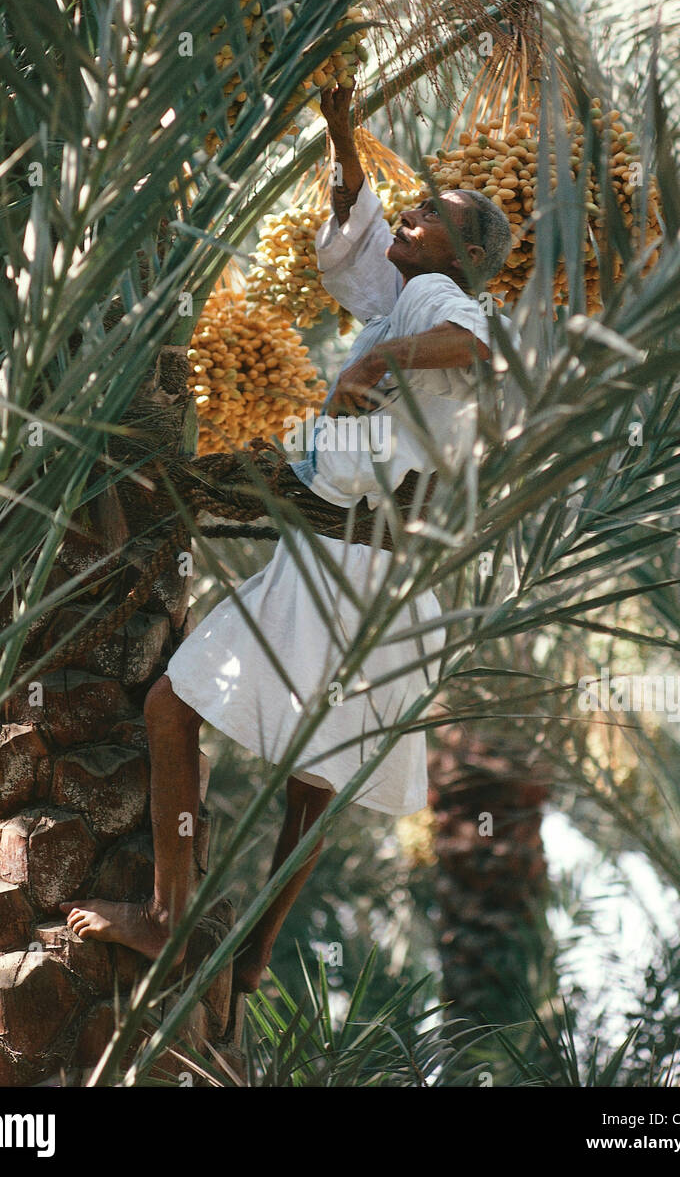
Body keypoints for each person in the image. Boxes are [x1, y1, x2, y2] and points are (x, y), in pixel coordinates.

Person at [62, 81, 516, 993]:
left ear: (465, 256)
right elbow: (359, 238)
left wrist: (378, 361)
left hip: (341, 565)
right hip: (389, 577)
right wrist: (343, 135)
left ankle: (166, 918)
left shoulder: (437, 302)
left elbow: (478, 348)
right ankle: (256, 956)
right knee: (316, 780)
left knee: (170, 709)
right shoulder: (407, 294)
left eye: (433, 214)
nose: (413, 212)